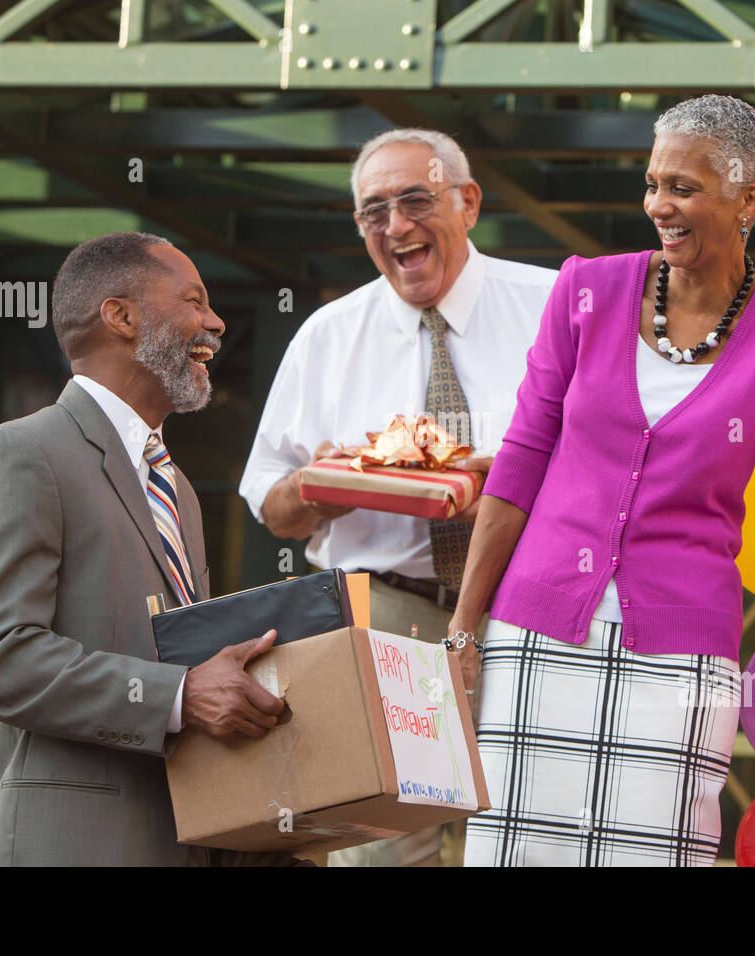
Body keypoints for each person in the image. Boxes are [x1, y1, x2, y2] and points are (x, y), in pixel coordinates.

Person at [446, 94, 755, 866]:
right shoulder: (586, 290)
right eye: (653, 183)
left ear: (748, 198)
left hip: (684, 653)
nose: (659, 205)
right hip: (537, 630)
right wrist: (465, 629)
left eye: (683, 188)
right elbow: (520, 461)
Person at [239, 128, 557, 866]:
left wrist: (508, 487)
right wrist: (321, 488)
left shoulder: (553, 306)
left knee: (526, 844)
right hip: (386, 619)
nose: (396, 226)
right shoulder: (328, 334)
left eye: (416, 200)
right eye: (373, 211)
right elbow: (272, 503)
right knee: (382, 852)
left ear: (468, 201)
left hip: (525, 616)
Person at [0, 232, 299, 866]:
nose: (215, 323)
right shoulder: (23, 453)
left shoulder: (179, 489)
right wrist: (178, 695)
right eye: (194, 300)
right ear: (122, 317)